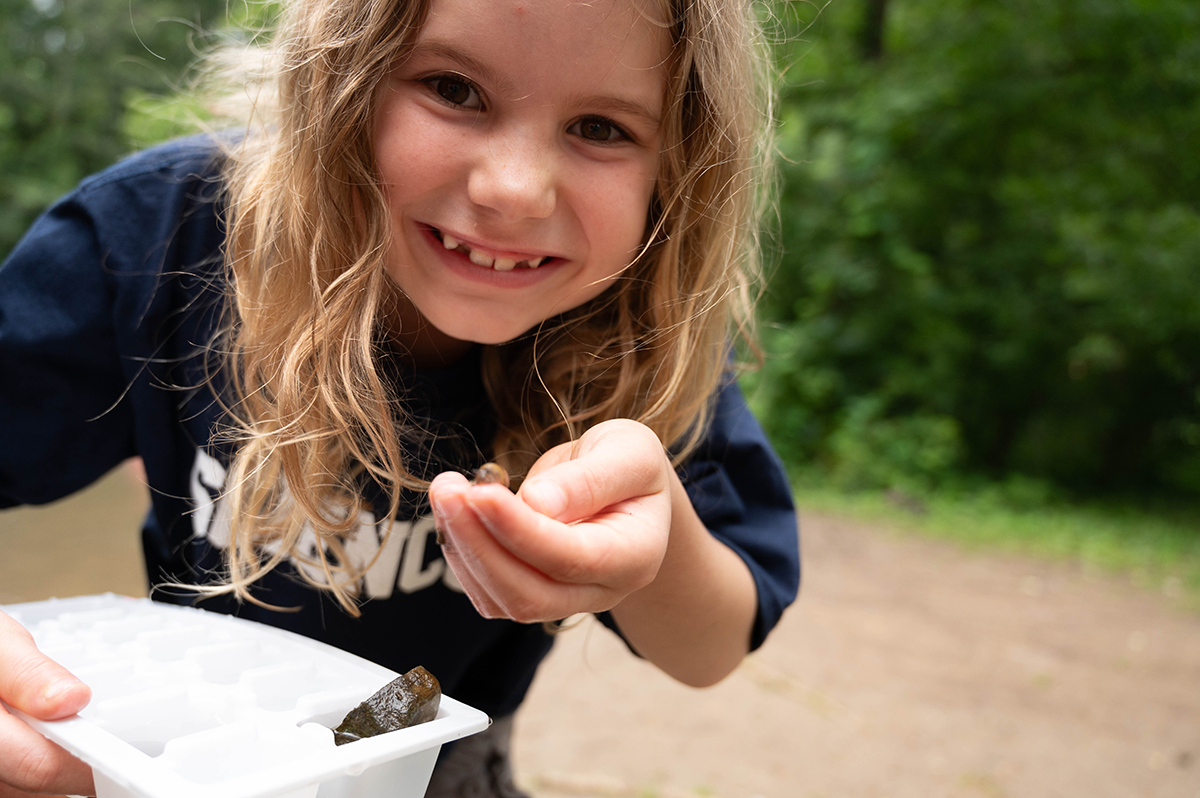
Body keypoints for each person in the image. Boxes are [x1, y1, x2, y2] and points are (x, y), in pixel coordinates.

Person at [0, 0, 800, 795]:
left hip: (427, 731)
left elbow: (713, 649)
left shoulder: (642, 338)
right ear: (340, 77)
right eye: (454, 89)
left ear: (682, 169)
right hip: (191, 737)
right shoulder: (163, 234)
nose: (513, 190)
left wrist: (651, 529)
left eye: (600, 128)